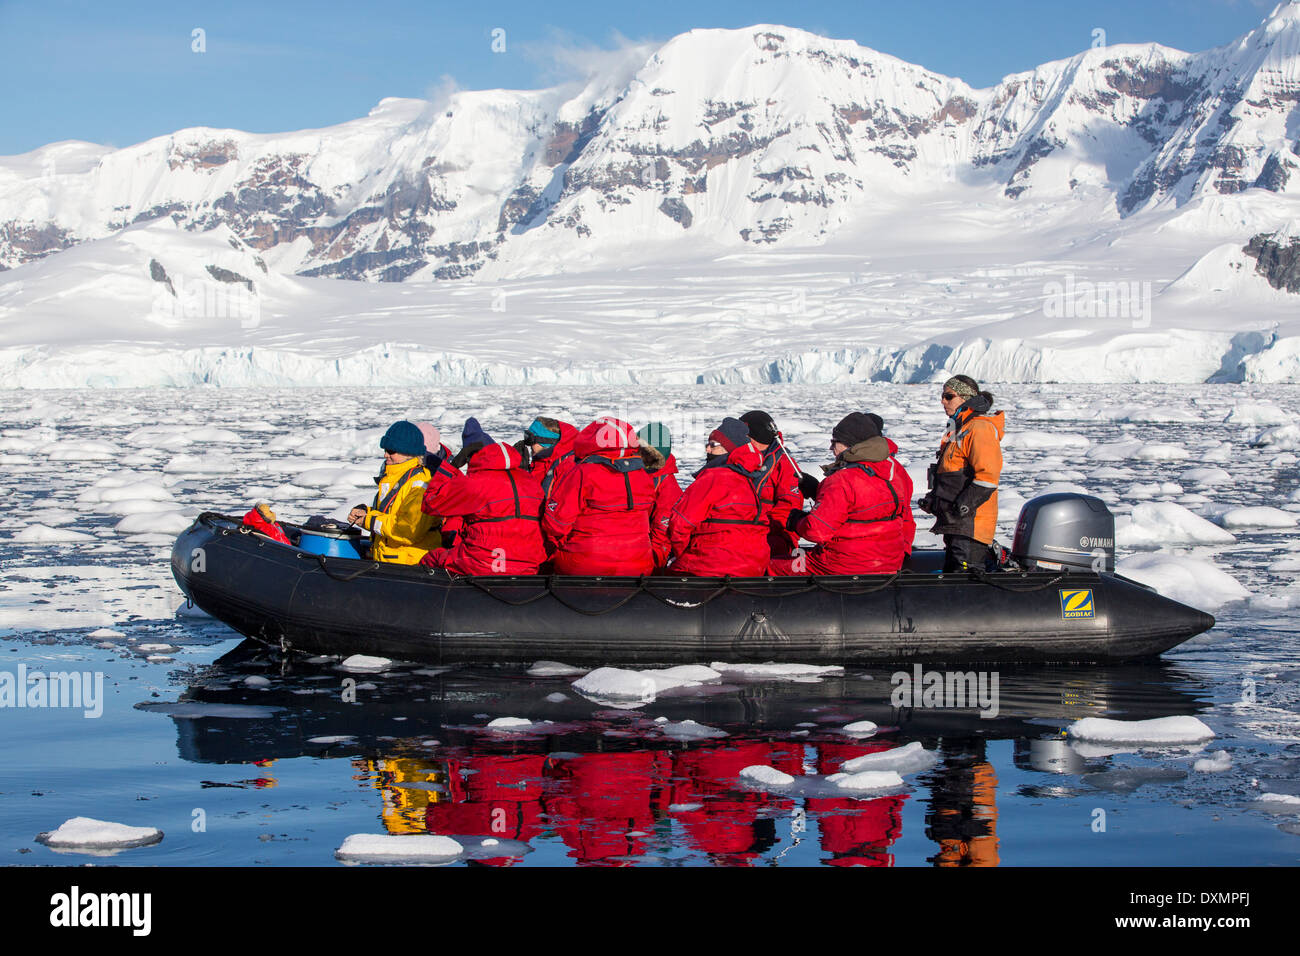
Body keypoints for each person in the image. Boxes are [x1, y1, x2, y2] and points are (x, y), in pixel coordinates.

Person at [769, 412, 912, 576]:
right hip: (888, 560)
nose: (831, 448)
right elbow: (865, 504)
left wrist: (796, 520)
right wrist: (817, 491)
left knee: (774, 566)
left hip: (841, 564)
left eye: (834, 442)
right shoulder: (894, 471)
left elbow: (817, 531)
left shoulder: (842, 479)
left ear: (849, 444)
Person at [541, 416, 657, 575]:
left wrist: (564, 545)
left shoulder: (583, 472)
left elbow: (555, 523)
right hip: (639, 564)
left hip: (585, 564)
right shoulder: (643, 475)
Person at [419, 441, 548, 575]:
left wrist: (452, 466)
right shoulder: (531, 482)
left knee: (432, 558)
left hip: (484, 561)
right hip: (529, 563)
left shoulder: (476, 482)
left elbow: (430, 503)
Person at [918, 375, 1004, 572]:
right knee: (953, 572)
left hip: (971, 524)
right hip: (955, 522)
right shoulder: (959, 428)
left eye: (949, 396)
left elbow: (988, 476)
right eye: (942, 396)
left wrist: (963, 506)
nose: (943, 401)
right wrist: (935, 500)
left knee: (965, 573)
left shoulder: (979, 428)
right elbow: (951, 472)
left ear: (965, 398)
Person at [667, 417, 773, 577]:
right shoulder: (750, 480)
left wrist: (682, 555)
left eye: (713, 445)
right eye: (707, 444)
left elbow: (680, 523)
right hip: (752, 567)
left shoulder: (712, 478)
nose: (707, 450)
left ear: (729, 449)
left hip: (710, 566)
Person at [347, 421, 442, 564]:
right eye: (385, 450)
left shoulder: (420, 485)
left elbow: (408, 529)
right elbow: (392, 513)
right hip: (390, 559)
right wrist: (367, 512)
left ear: (408, 452)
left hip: (410, 565)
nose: (385, 455)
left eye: (391, 451)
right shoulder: (394, 478)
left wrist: (369, 520)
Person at [738, 410, 806, 558]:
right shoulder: (736, 459)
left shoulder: (783, 465)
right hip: (739, 533)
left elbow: (788, 509)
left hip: (770, 536)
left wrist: (756, 530)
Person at [638, 421, 681, 566]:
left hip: (644, 548)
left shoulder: (666, 484)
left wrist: (655, 562)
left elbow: (662, 531)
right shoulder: (629, 469)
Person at [519, 417, 578, 498]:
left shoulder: (568, 467)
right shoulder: (542, 461)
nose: (529, 445)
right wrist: (521, 472)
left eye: (531, 440)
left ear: (546, 442)